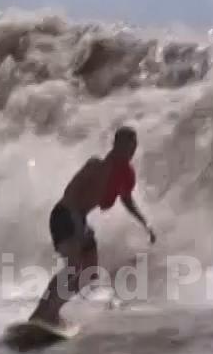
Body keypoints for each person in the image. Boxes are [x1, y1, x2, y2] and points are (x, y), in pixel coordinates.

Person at [29, 126, 156, 325]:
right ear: (116, 145)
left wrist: (145, 223)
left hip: (80, 220)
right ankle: (46, 313)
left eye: (133, 147)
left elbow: (127, 199)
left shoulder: (125, 174)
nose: (130, 152)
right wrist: (77, 225)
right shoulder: (95, 166)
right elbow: (70, 194)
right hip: (65, 215)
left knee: (89, 273)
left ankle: (48, 311)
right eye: (126, 147)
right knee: (74, 267)